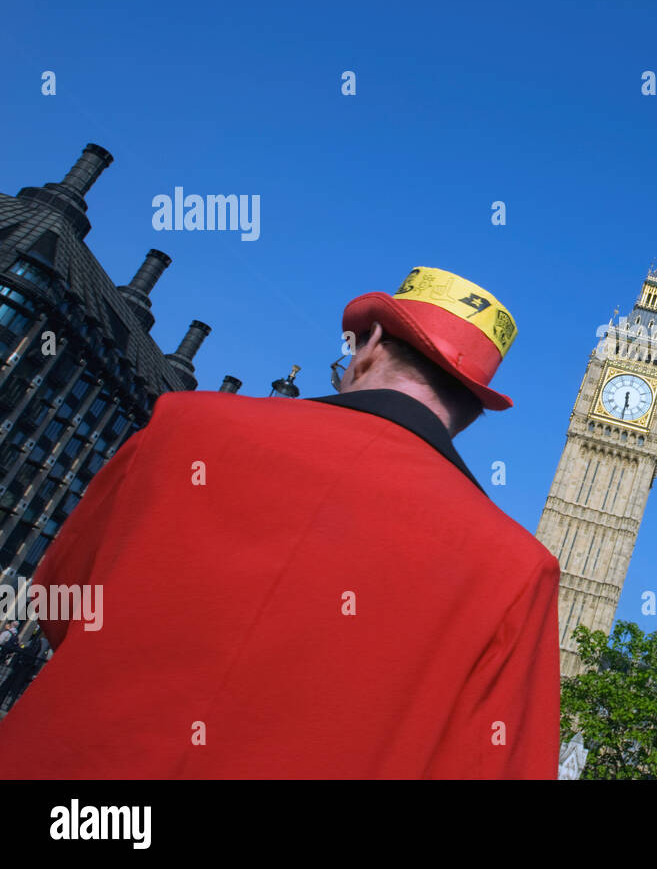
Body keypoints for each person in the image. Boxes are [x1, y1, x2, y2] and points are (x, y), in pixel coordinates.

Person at [0, 266, 560, 778]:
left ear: (370, 347)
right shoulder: (517, 569)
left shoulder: (188, 426)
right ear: (472, 409)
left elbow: (59, 598)